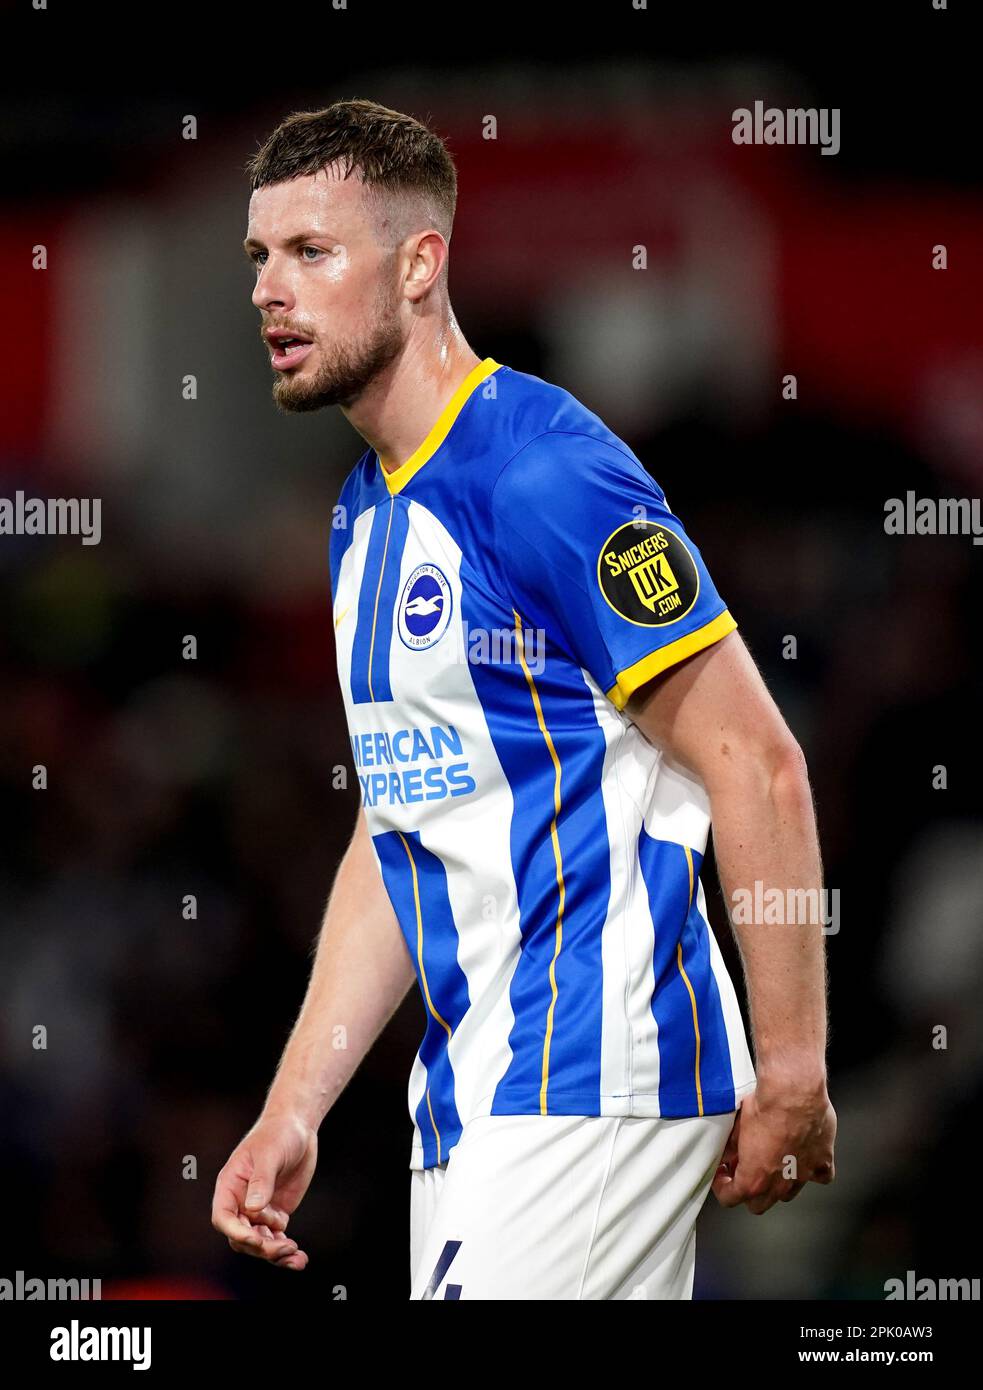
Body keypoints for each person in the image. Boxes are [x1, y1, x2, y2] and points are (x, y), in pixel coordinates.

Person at [211, 98, 836, 1300]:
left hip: (595, 1070)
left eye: (309, 252)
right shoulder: (361, 516)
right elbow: (401, 831)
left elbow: (758, 763)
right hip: (472, 1099)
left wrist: (793, 1066)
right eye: (256, 258)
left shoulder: (544, 470)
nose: (266, 292)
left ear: (418, 265)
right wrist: (295, 1107)